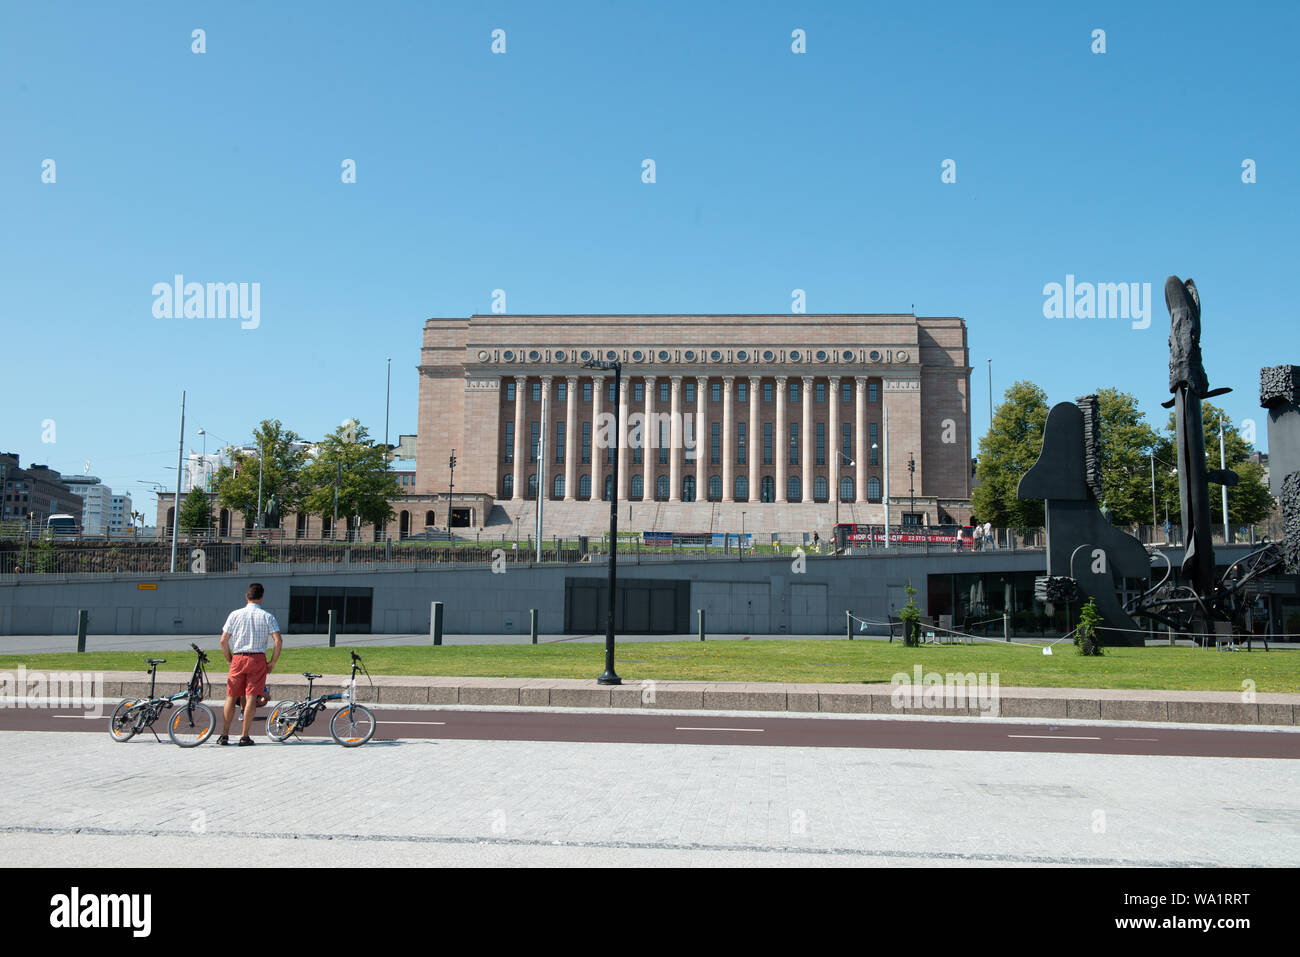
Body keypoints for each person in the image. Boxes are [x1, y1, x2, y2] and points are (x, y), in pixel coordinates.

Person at [218, 582, 282, 746]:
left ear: (247, 597)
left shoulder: (234, 615)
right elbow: (278, 641)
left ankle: (224, 734)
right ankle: (244, 735)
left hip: (238, 657)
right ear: (261, 597)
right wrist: (272, 662)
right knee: (251, 697)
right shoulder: (267, 616)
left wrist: (229, 658)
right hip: (257, 658)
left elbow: (223, 640)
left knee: (231, 697)